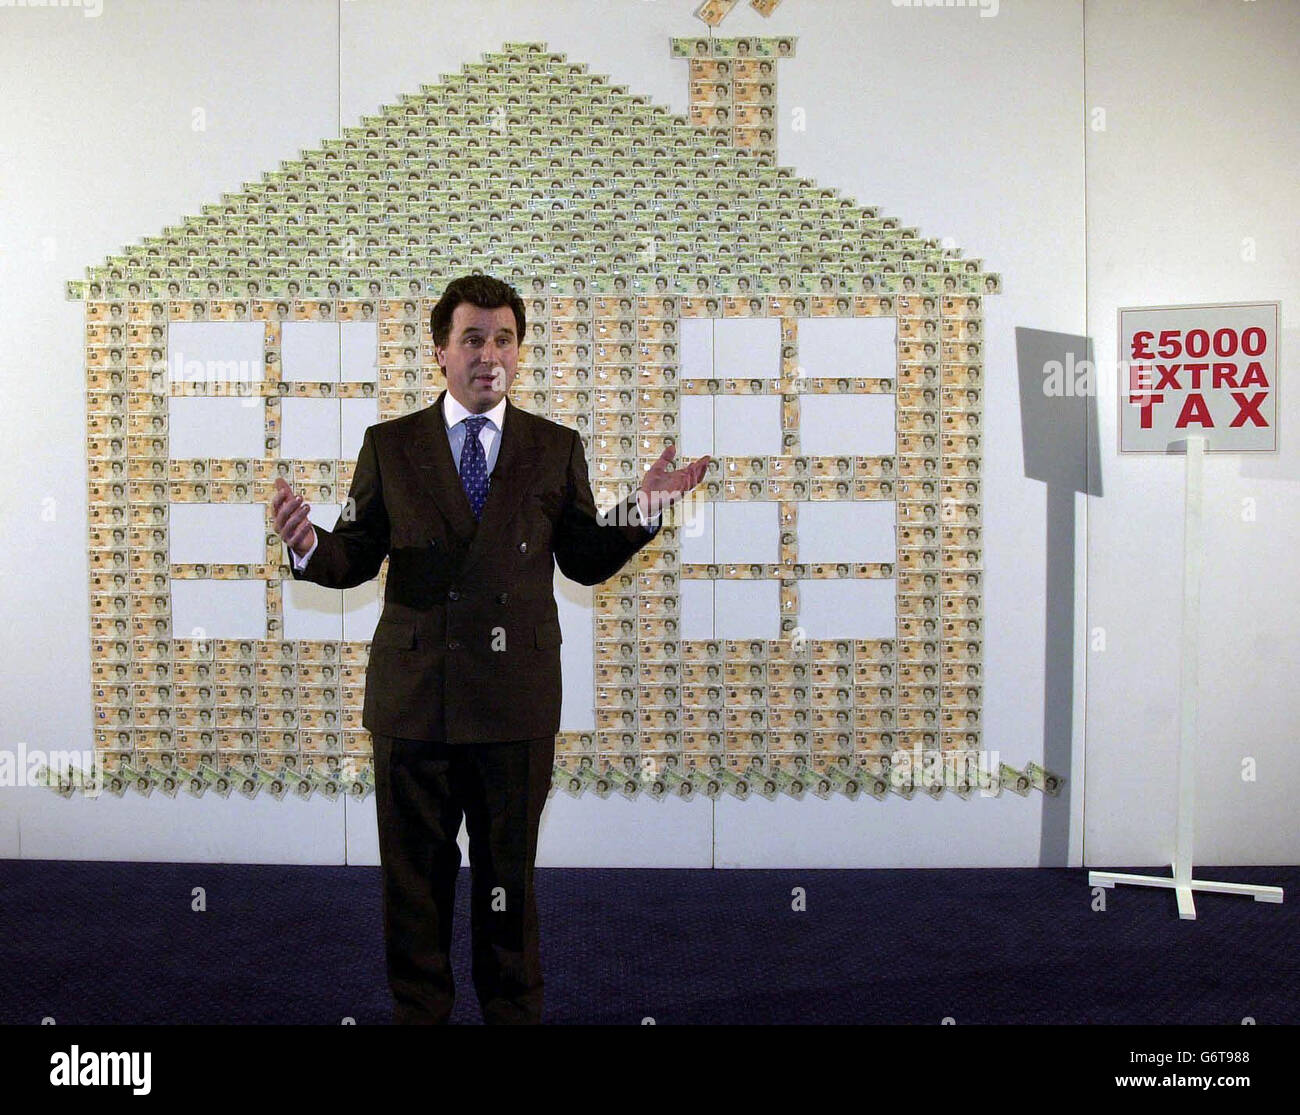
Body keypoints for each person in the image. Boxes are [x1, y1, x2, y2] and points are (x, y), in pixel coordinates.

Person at [271, 275, 709, 1025]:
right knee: (417, 887)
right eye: (472, 338)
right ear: (440, 350)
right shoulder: (390, 445)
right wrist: (310, 544)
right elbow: (355, 555)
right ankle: (421, 1013)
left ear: (519, 352)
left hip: (514, 704)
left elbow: (582, 558)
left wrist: (643, 509)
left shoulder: (553, 447)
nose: (489, 353)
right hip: (416, 704)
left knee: (509, 882)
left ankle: (511, 1011)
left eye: (504, 338)